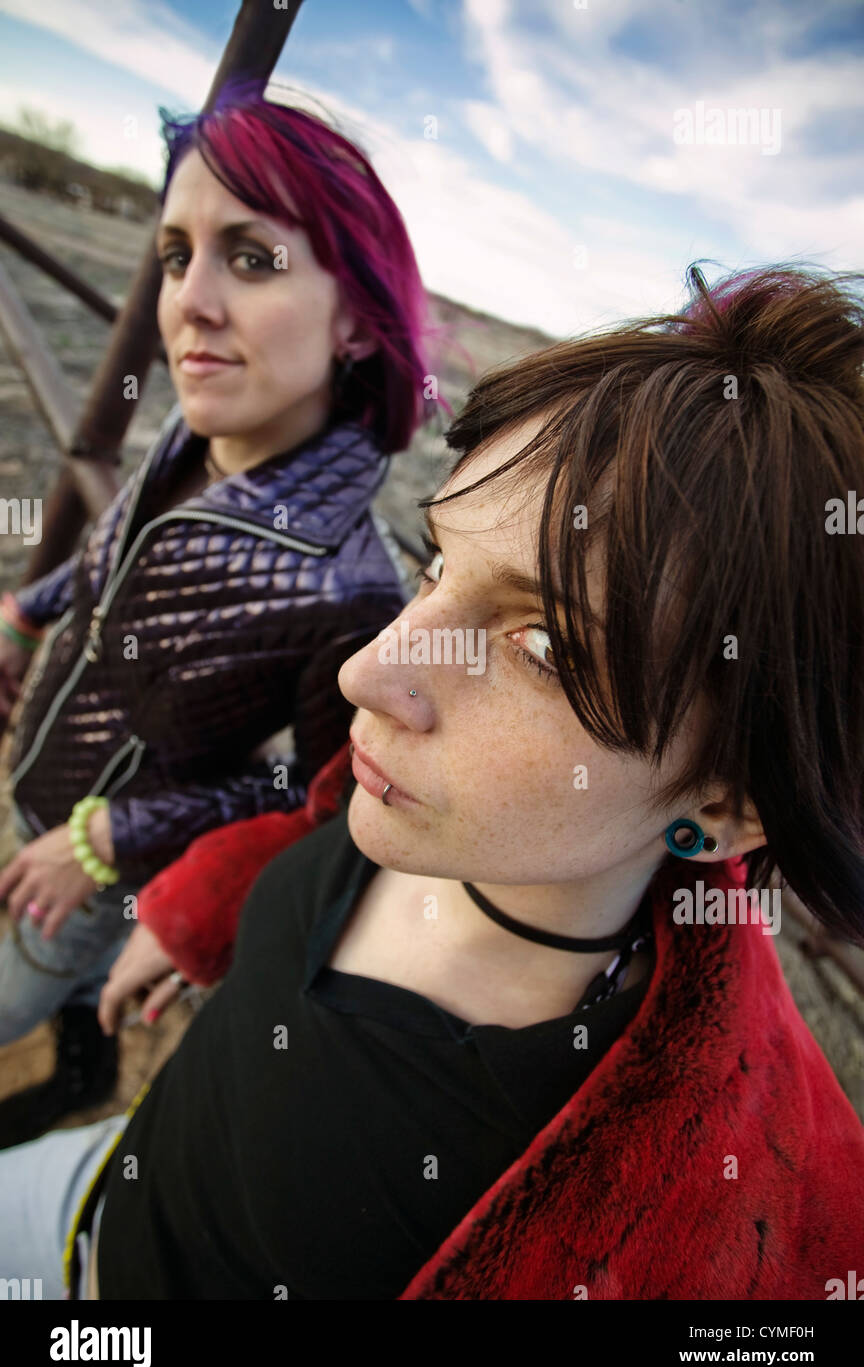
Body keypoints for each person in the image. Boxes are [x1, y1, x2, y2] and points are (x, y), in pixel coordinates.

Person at [1, 261, 863, 1301]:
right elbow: (310, 821)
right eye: (434, 564)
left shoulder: (619, 1211)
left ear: (725, 807)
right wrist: (201, 906)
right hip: (83, 1186)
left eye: (544, 642)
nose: (370, 670)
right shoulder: (422, 805)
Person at [0, 75, 445, 1143]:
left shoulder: (354, 592)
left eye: (251, 258)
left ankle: (73, 1052)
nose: (189, 301)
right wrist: (31, 609)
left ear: (354, 319)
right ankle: (85, 1056)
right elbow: (114, 552)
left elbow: (322, 803)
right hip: (35, 785)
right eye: (175, 255)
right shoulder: (193, 437)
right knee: (61, 994)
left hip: (92, 867)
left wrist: (113, 837)